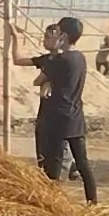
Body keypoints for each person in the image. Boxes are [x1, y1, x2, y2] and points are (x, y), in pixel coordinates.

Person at [8, 17, 97, 204]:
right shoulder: (80, 57)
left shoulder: (59, 60)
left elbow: (38, 81)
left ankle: (54, 204)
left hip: (57, 117)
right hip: (75, 116)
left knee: (53, 166)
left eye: (57, 31)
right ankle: (92, 201)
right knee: (83, 163)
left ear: (63, 35)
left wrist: (47, 81)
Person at [32, 24, 74, 179]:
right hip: (48, 107)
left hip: (59, 108)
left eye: (49, 37)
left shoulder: (63, 60)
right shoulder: (48, 59)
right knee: (45, 141)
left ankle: (66, 169)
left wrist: (48, 80)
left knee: (59, 145)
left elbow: (38, 81)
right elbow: (18, 60)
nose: (45, 40)